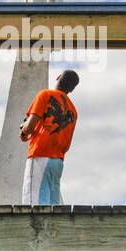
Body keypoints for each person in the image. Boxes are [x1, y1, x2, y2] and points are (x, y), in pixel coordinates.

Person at [19, 70, 79, 205]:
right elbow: (67, 144)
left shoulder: (45, 94)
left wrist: (23, 131)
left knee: (33, 204)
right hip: (58, 162)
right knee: (53, 207)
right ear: (72, 89)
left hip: (40, 154)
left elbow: (29, 126)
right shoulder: (73, 111)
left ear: (58, 77)